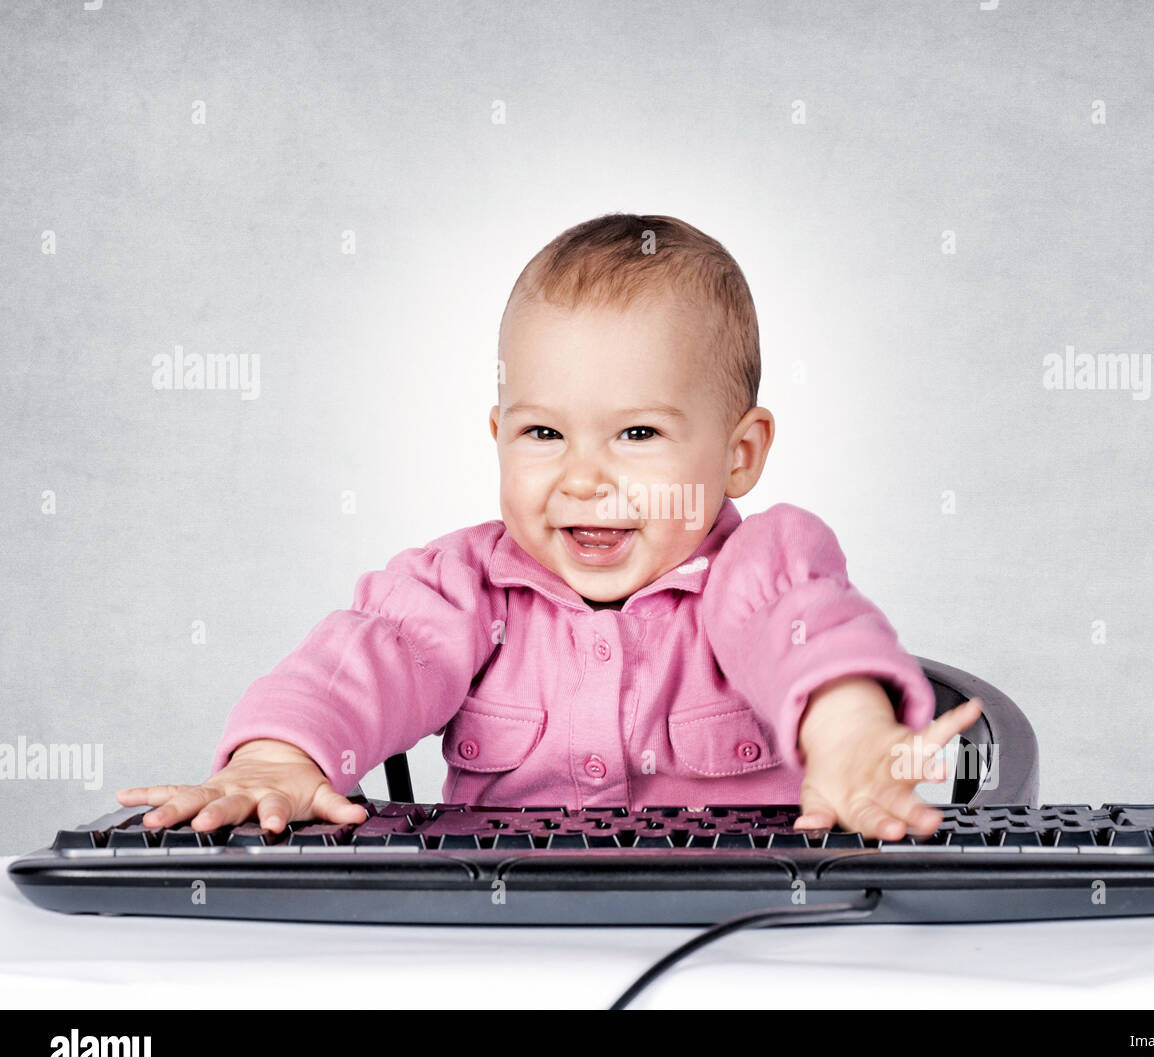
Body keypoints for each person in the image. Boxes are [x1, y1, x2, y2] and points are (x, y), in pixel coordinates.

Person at [117, 213, 980, 840]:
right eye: (543, 433)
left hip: (739, 939)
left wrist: (850, 737)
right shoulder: (458, 589)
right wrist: (276, 759)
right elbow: (357, 664)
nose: (583, 476)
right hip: (499, 943)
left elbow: (806, 641)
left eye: (637, 434)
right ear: (498, 438)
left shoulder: (757, 567)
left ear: (740, 454)